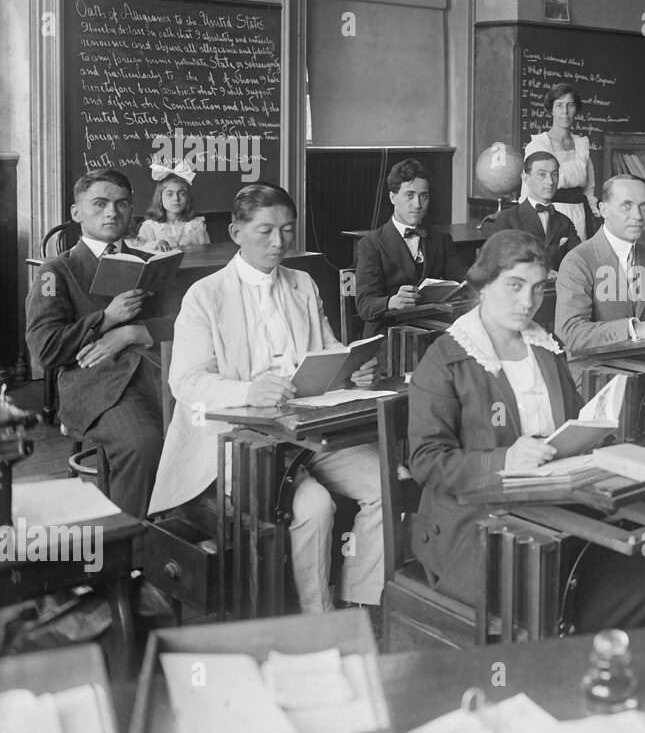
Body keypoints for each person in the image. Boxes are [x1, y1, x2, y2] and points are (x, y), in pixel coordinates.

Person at [406, 231, 645, 633]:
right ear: (483, 284)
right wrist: (504, 459)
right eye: (513, 286)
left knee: (637, 584)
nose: (527, 302)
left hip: (556, 511)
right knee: (543, 597)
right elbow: (425, 460)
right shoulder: (448, 357)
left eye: (537, 288)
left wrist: (590, 437)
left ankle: (603, 684)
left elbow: (571, 423)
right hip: (478, 525)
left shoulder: (545, 347)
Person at [149, 184, 384, 615]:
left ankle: (360, 600)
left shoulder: (303, 283)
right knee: (313, 505)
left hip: (307, 432)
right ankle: (320, 618)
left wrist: (353, 371)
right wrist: (248, 390)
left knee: (384, 481)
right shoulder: (205, 295)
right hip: (236, 441)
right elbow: (185, 382)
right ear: (236, 232)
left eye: (288, 230)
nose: (279, 243)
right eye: (265, 231)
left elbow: (328, 351)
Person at [25, 170, 163, 517]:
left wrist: (131, 333)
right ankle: (130, 545)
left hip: (155, 371)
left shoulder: (151, 263)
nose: (112, 213)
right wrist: (107, 319)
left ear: (132, 210)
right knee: (142, 444)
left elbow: (184, 323)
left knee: (204, 427)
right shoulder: (54, 272)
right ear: (77, 213)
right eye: (99, 204)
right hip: (94, 383)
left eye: (121, 204)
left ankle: (179, 538)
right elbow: (45, 349)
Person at [554, 175, 645, 437]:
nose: (638, 215)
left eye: (644, 206)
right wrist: (636, 328)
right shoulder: (579, 260)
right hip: (595, 371)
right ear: (604, 210)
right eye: (626, 205)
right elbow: (571, 332)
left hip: (643, 366)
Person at [354, 158, 466, 339]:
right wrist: (391, 301)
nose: (418, 204)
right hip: (388, 336)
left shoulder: (440, 239)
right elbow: (365, 305)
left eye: (424, 196)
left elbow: (463, 282)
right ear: (392, 197)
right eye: (410, 195)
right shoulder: (371, 244)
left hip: (433, 331)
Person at [524, 82, 599, 240]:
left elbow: (589, 188)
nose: (565, 112)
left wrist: (594, 215)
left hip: (580, 214)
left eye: (570, 105)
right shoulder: (538, 144)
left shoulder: (581, 145)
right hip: (550, 214)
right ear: (551, 110)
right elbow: (529, 186)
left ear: (576, 109)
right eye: (559, 105)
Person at [488, 151, 578, 272]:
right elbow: (500, 263)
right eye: (542, 174)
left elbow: (578, 261)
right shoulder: (507, 219)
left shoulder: (565, 222)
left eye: (555, 174)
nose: (550, 182)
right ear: (526, 179)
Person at [129, 164, 209, 252]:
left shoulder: (197, 225)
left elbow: (207, 252)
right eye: (170, 194)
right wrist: (156, 244)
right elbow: (139, 249)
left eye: (181, 193)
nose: (176, 198)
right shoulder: (150, 227)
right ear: (160, 197)